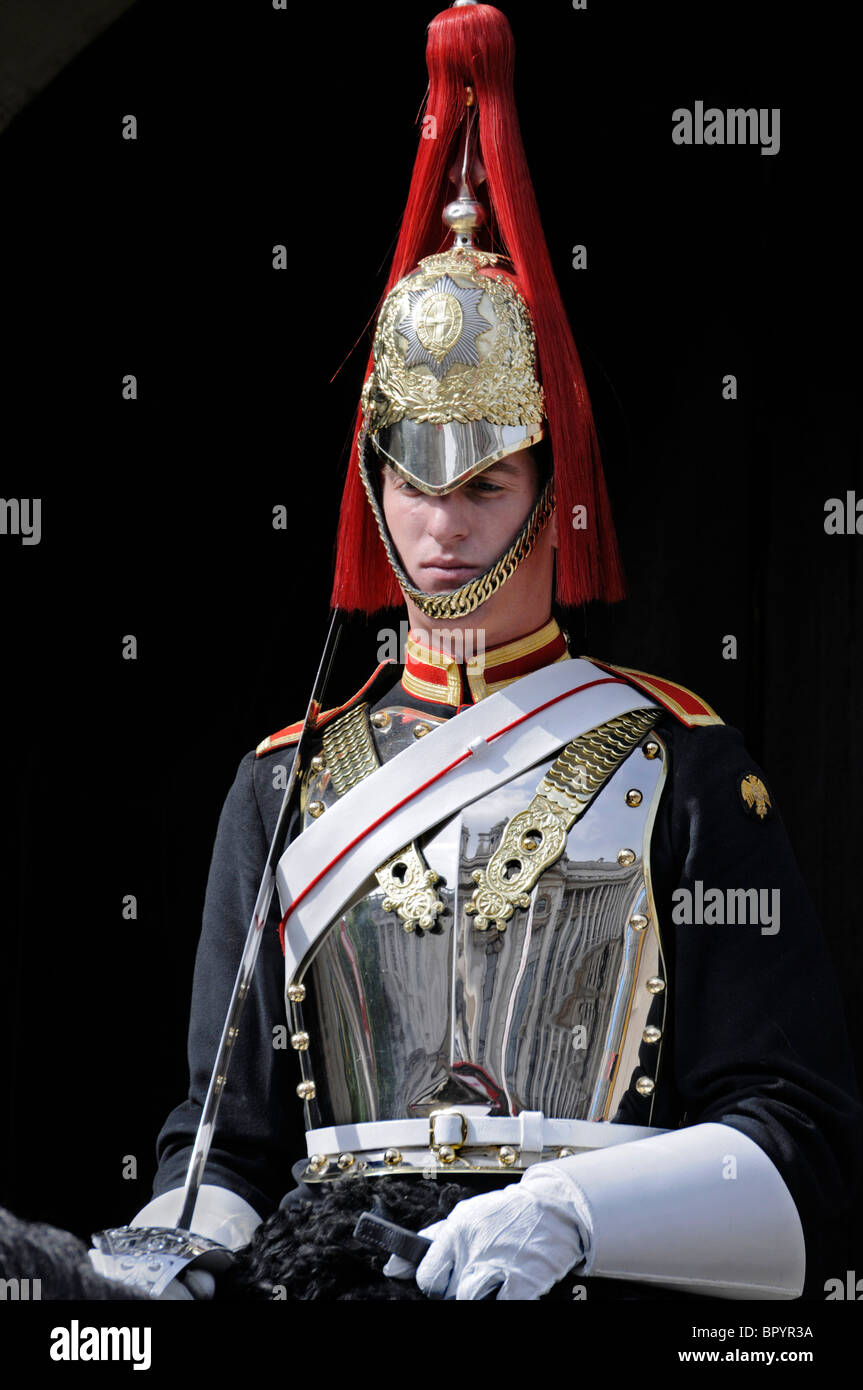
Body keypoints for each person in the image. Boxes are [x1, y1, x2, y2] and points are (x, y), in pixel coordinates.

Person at [92, 1, 860, 1301]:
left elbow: (801, 1158)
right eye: (411, 478)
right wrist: (162, 1255)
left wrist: (570, 1210)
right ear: (370, 484)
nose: (440, 528)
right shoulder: (281, 783)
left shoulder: (683, 762)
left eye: (485, 485)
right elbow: (226, 1145)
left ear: (553, 495)